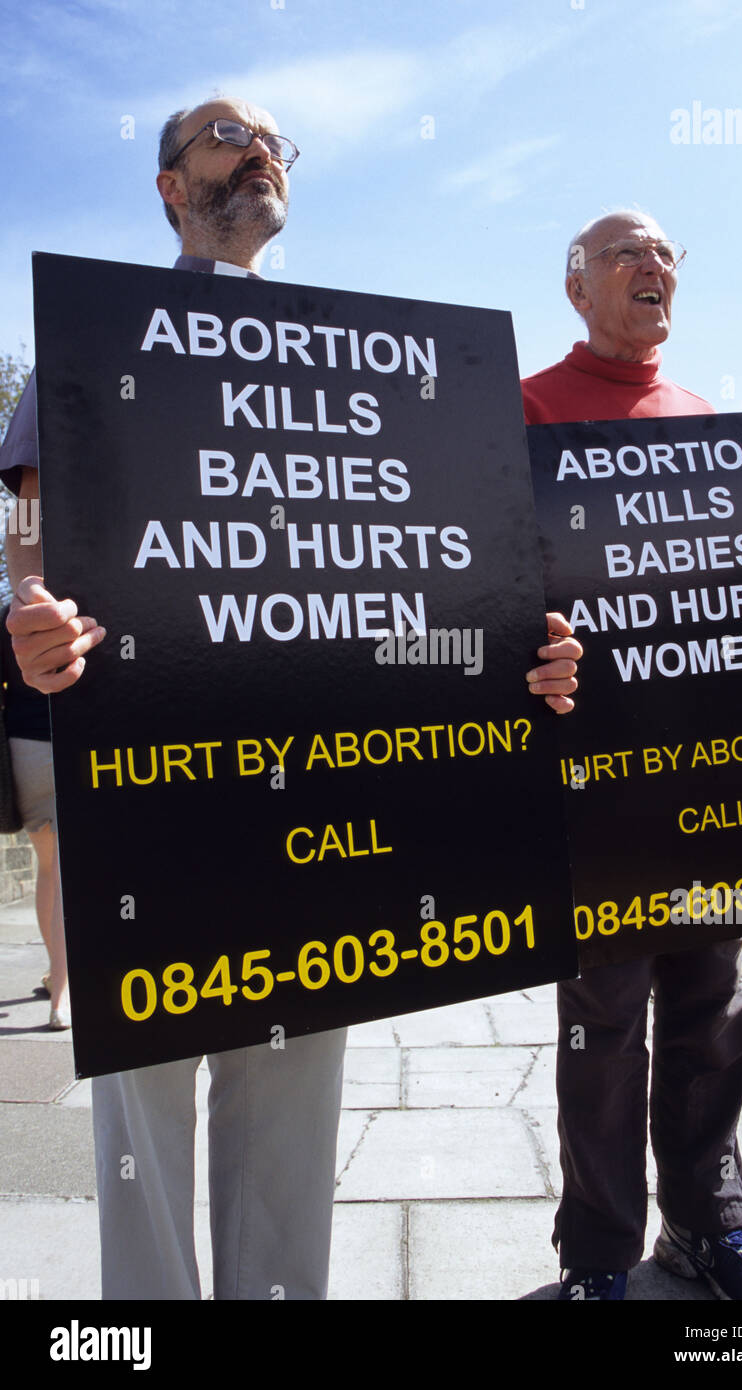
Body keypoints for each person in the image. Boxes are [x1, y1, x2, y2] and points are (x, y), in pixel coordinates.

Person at [1, 96, 580, 1300]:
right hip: (151, 791)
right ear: (168, 183)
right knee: (143, 1113)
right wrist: (33, 618)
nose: (256, 150)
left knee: (293, 1100)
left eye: (274, 140)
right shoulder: (96, 338)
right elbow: (34, 532)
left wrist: (523, 652)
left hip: (326, 810)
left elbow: (449, 573)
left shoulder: (374, 361)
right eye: (224, 133)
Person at [522, 208, 742, 1303]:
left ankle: (707, 1229)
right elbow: (485, 590)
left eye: (665, 253)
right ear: (577, 288)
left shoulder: (706, 419)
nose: (652, 265)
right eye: (626, 252)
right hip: (594, 782)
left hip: (712, 777)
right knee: (604, 1020)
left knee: (713, 1009)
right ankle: (598, 1256)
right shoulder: (526, 411)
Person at [0, 611, 68, 1028]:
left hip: (27, 747)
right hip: (81, 738)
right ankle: (63, 990)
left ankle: (57, 977)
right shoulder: (87, 596)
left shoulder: (11, 615)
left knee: (50, 868)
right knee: (73, 867)